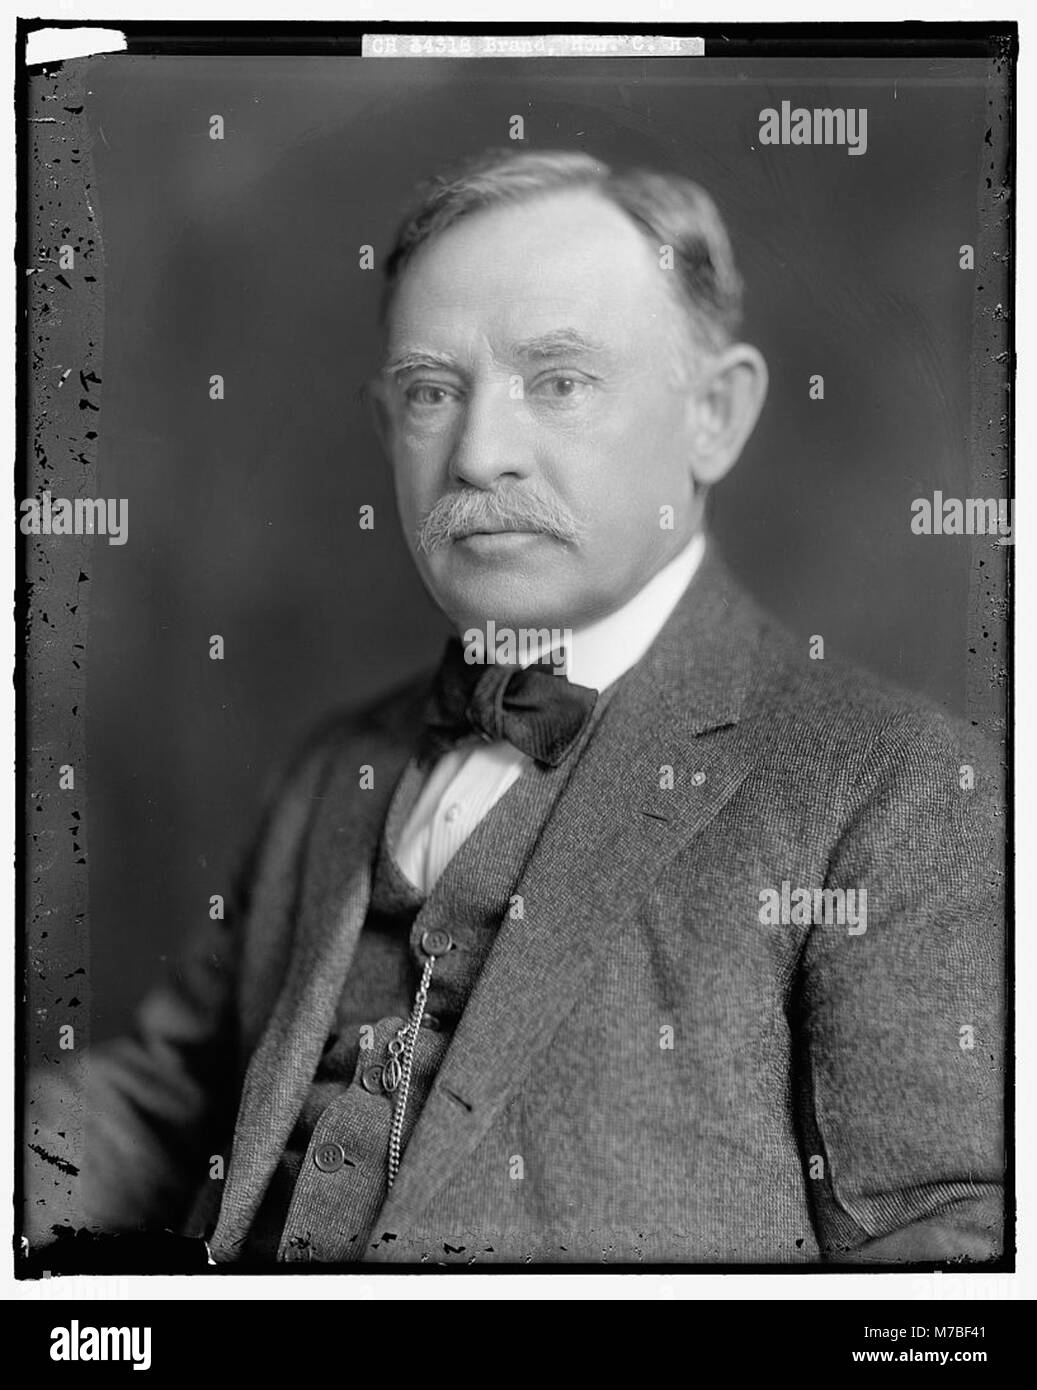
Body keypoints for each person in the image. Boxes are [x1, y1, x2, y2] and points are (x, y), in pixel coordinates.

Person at [27, 148, 1004, 1266]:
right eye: (431, 392)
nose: (477, 454)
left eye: (559, 380)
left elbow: (950, 1253)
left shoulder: (892, 788)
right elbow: (171, 1097)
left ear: (714, 415)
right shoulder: (336, 766)